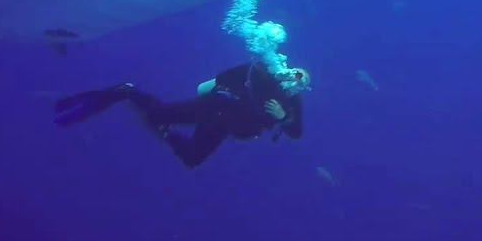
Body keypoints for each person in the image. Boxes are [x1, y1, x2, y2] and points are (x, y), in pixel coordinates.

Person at [53, 62, 309, 168]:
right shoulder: (263, 74)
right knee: (157, 113)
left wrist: (282, 117)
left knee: (192, 158)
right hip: (213, 107)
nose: (293, 83)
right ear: (284, 68)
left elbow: (296, 132)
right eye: (293, 75)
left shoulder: (292, 102)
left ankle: (161, 130)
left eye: (301, 83)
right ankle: (127, 91)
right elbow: (222, 79)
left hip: (223, 125)